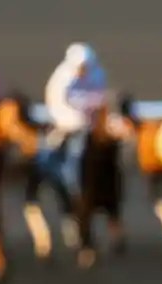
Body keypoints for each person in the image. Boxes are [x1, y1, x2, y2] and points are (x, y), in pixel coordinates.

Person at [44, 43, 108, 188]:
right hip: (67, 126)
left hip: (91, 125)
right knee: (71, 155)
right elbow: (57, 102)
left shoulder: (97, 75)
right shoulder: (62, 78)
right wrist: (75, 119)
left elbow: (100, 98)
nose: (81, 71)